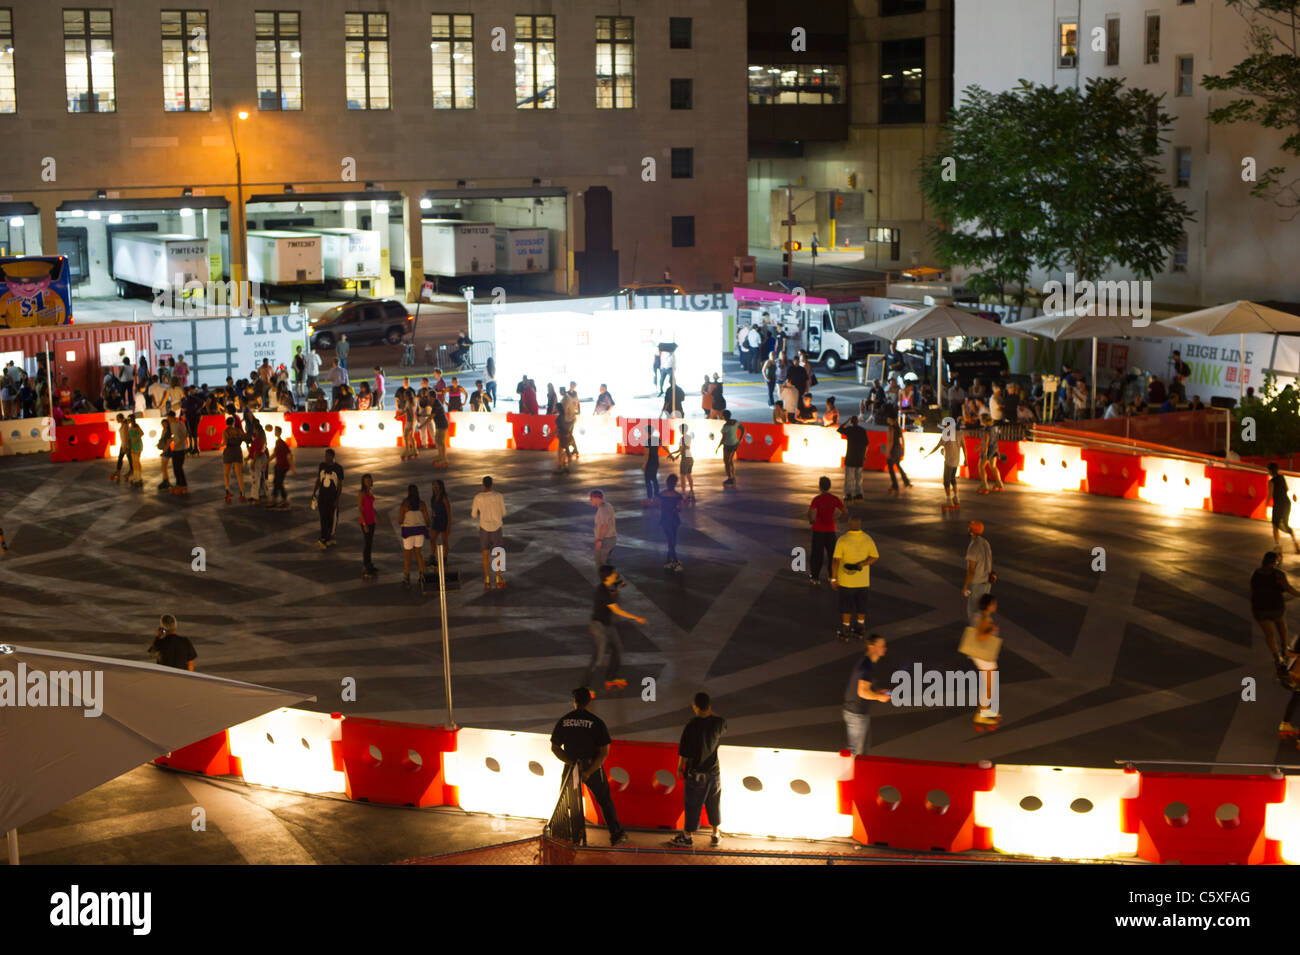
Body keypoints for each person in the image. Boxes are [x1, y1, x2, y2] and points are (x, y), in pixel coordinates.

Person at [550, 687, 626, 847]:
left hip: (571, 768)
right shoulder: (597, 723)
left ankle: (567, 837)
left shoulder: (565, 721)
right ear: (589, 702)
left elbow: (555, 748)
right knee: (605, 801)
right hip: (592, 767)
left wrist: (572, 764)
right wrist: (589, 772)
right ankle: (616, 835)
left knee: (566, 803)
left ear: (574, 702)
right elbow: (604, 753)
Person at [665, 692, 726, 848]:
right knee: (714, 803)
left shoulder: (692, 725)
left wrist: (679, 768)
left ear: (695, 707)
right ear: (709, 706)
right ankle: (715, 834)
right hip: (715, 773)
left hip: (697, 774)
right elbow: (720, 721)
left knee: (693, 805)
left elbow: (684, 751)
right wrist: (710, 712)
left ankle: (687, 836)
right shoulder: (719, 722)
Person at [587, 565, 646, 690]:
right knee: (598, 657)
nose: (616, 574)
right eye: (614, 573)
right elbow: (617, 611)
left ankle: (611, 678)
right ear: (608, 577)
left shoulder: (610, 585)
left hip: (608, 624)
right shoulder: (602, 591)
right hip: (599, 626)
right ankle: (584, 687)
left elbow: (620, 584)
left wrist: (619, 584)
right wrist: (636, 618)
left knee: (617, 650)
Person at [842, 634, 891, 756]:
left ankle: (856, 772)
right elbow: (862, 692)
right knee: (857, 753)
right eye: (882, 645)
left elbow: (864, 687)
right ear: (871, 647)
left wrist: (877, 691)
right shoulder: (866, 666)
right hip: (856, 714)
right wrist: (879, 697)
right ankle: (851, 773)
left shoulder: (867, 663)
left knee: (860, 751)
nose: (885, 648)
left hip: (857, 712)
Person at [831, 516, 878, 640]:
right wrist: (862, 564)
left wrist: (833, 578)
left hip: (846, 582)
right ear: (860, 525)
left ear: (849, 525)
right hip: (863, 582)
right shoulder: (868, 539)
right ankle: (860, 629)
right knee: (861, 605)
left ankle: (845, 630)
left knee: (846, 606)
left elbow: (836, 560)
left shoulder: (843, 540)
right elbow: (874, 557)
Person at [1252, 550, 1300, 667]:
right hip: (1275, 606)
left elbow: (1253, 589)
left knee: (1269, 635)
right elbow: (1288, 588)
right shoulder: (1278, 574)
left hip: (1260, 608)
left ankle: (1277, 657)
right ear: (1275, 562)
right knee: (1282, 627)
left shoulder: (1256, 573)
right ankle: (1284, 648)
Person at [966, 594, 1001, 728]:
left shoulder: (982, 616)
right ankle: (981, 715)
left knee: (989, 685)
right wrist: (991, 630)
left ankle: (984, 711)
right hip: (982, 656)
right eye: (994, 603)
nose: (995, 606)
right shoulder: (983, 618)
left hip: (983, 656)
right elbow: (980, 637)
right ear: (988, 605)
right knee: (988, 686)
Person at [808, 476, 847, 586]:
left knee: (817, 555)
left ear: (820, 486)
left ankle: (815, 578)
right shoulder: (834, 499)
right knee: (832, 554)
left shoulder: (817, 499)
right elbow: (844, 511)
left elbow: (810, 512)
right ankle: (832, 576)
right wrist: (837, 519)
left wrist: (812, 521)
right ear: (829, 486)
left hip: (818, 530)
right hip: (830, 530)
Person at [471, 475, 507, 590]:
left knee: (485, 554)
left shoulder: (478, 497)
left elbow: (473, 514)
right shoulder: (499, 496)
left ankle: (487, 579)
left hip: (484, 528)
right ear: (492, 484)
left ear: (483, 485)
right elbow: (503, 512)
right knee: (498, 554)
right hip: (496, 528)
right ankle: (498, 578)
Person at [398, 483, 431, 590]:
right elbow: (427, 519)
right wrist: (428, 526)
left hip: (408, 530)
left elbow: (400, 520)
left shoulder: (404, 504)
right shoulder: (422, 504)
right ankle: (422, 576)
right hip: (420, 530)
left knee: (408, 555)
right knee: (418, 553)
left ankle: (406, 578)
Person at [962, 520, 996, 620]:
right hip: (987, 583)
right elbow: (990, 560)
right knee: (984, 610)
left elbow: (971, 571)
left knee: (973, 612)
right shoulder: (985, 543)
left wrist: (965, 586)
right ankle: (984, 630)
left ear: (972, 531)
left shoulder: (973, 547)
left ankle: (977, 632)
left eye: (969, 527)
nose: (968, 528)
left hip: (977, 584)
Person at [312, 448, 345, 550]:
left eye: (328, 456)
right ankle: (324, 537)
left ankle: (328, 537)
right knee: (323, 516)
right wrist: (314, 492)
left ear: (332, 456)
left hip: (332, 497)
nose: (326, 457)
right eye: (325, 456)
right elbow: (318, 480)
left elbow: (340, 485)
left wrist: (337, 499)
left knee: (331, 517)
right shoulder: (322, 466)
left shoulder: (338, 468)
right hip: (322, 496)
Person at [925, 425, 965, 509]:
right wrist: (966, 459)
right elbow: (964, 447)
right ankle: (956, 498)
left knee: (946, 481)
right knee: (953, 479)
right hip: (956, 460)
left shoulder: (946, 434)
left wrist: (928, 454)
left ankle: (949, 501)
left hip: (949, 461)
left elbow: (938, 445)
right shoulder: (960, 433)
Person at [1268, 463, 1300, 554]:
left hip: (1278, 505)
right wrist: (1293, 496)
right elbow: (1288, 489)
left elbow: (1270, 495)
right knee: (1285, 524)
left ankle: (1278, 547)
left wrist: (1266, 504)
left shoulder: (1271, 482)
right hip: (1286, 504)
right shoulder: (1282, 478)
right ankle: (1296, 545)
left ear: (1270, 471)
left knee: (1275, 525)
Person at [838, 416, 868, 502]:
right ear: (858, 421)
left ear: (851, 422)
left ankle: (848, 494)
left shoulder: (849, 429)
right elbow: (866, 444)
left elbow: (839, 429)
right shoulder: (862, 430)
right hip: (859, 457)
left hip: (850, 457)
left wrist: (846, 421)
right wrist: (864, 455)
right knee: (858, 477)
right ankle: (859, 493)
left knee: (848, 477)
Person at [659, 474, 685, 571]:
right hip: (674, 520)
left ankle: (669, 561)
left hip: (665, 519)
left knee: (670, 541)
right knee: (673, 541)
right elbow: (681, 509)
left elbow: (660, 507)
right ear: (675, 484)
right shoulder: (677, 496)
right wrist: (675, 509)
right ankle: (675, 561)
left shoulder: (661, 494)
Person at [220, 415, 247, 503]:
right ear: (233, 423)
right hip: (237, 452)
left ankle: (228, 490)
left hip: (228, 453)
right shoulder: (238, 431)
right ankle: (242, 493)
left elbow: (224, 443)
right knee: (239, 474)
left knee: (226, 474)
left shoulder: (225, 432)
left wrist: (217, 445)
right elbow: (244, 438)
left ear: (226, 423)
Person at [590, 489, 617, 569]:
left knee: (601, 564)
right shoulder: (607, 505)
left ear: (597, 498)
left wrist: (599, 540)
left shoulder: (603, 509)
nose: (590, 500)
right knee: (605, 564)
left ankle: (608, 580)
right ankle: (608, 580)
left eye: (591, 498)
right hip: (610, 539)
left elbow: (605, 526)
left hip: (606, 540)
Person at [358, 474, 379, 579]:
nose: (368, 482)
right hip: (365, 522)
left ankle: (369, 564)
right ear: (363, 482)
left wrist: (377, 514)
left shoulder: (370, 492)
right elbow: (360, 510)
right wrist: (365, 524)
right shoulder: (361, 493)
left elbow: (370, 506)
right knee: (367, 544)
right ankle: (365, 565)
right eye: (366, 481)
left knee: (370, 543)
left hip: (372, 521)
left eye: (369, 480)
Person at [669, 422, 695, 503]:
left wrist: (672, 453)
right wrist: (677, 455)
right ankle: (691, 491)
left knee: (683, 477)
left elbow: (681, 449)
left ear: (681, 430)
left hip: (685, 459)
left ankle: (683, 494)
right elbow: (685, 449)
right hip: (690, 457)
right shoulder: (689, 437)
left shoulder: (682, 438)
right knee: (689, 475)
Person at [977, 413, 1004, 493]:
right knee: (993, 466)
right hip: (994, 449)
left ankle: (984, 485)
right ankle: (999, 483)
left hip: (988, 450)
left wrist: (985, 453)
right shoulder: (994, 428)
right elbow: (994, 440)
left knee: (981, 467)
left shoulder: (986, 429)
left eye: (981, 419)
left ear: (984, 420)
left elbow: (986, 442)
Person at [716, 410, 743, 488]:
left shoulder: (725, 426)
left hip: (727, 445)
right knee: (730, 461)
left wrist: (718, 447)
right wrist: (740, 439)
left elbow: (723, 438)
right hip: (735, 444)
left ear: (724, 417)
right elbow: (742, 429)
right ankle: (732, 477)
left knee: (726, 461)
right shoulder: (735, 422)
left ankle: (730, 477)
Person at [270, 425, 294, 509]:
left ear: (279, 432)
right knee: (276, 482)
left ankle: (284, 500)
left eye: (276, 431)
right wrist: (267, 462)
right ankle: (276, 499)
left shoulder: (282, 443)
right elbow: (274, 454)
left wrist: (292, 467)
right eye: (275, 431)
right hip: (278, 465)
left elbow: (289, 455)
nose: (275, 433)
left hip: (283, 466)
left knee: (279, 482)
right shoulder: (277, 442)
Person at [886, 415, 911, 494]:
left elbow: (891, 441)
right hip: (898, 449)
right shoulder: (898, 429)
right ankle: (906, 481)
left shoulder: (891, 428)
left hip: (893, 449)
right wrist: (903, 450)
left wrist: (888, 451)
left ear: (891, 419)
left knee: (890, 468)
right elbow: (902, 440)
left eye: (888, 418)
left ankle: (895, 486)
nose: (887, 419)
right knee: (898, 465)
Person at [167, 411, 189, 495]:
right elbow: (174, 436)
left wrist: (179, 443)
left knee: (179, 467)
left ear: (172, 417)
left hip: (181, 448)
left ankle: (183, 484)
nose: (168, 419)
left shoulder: (180, 424)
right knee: (175, 467)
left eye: (169, 417)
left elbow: (185, 434)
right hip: (175, 449)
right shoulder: (171, 425)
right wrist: (172, 441)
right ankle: (178, 483)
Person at [430, 479, 451, 564]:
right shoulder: (433, 498)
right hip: (436, 521)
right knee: (432, 539)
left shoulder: (444, 498)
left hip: (443, 521)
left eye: (436, 485)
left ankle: (445, 558)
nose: (434, 487)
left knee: (444, 541)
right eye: (433, 485)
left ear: (440, 486)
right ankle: (432, 557)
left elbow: (449, 512)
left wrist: (448, 525)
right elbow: (433, 510)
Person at [642, 424, 661, 506]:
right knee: (654, 479)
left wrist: (644, 464)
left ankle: (650, 498)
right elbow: (662, 447)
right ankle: (656, 496)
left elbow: (647, 454)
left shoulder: (647, 441)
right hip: (656, 462)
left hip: (649, 463)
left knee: (648, 481)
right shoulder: (657, 439)